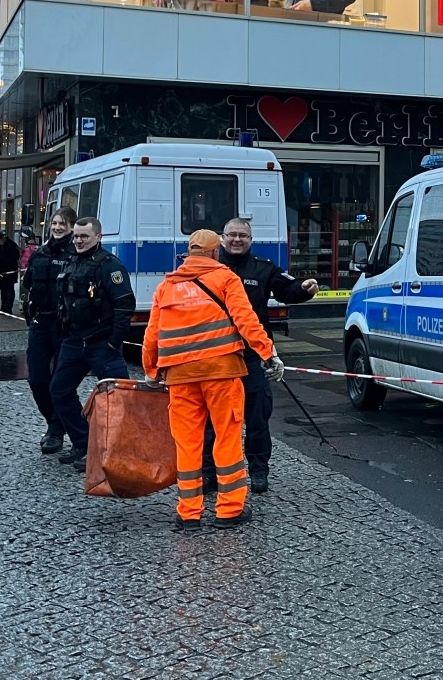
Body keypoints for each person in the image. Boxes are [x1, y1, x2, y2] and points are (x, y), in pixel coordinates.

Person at [143, 230, 281, 531]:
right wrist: (268, 354)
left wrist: (151, 370)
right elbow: (246, 320)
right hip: (222, 373)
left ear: (189, 254)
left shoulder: (167, 286)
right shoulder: (226, 278)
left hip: (180, 377)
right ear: (216, 253)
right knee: (227, 438)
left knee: (188, 443)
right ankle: (229, 510)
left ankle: (189, 513)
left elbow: (152, 333)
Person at [212, 217, 317, 493]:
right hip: (216, 357)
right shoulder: (210, 267)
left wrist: (304, 289)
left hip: (251, 356)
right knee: (214, 420)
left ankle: (259, 471)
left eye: (243, 236)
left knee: (257, 417)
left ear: (250, 240)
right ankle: (209, 473)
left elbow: (288, 288)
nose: (237, 240)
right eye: (232, 234)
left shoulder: (263, 268)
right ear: (222, 238)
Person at [48, 217, 135, 473]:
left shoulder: (110, 266)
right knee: (59, 391)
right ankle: (83, 443)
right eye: (76, 236)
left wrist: (113, 342)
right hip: (74, 341)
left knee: (118, 399)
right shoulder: (72, 261)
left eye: (84, 236)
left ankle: (114, 452)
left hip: (102, 343)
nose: (78, 240)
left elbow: (124, 305)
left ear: (98, 237)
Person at [22, 208, 77, 455]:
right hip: (40, 323)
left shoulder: (76, 254)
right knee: (37, 379)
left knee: (61, 381)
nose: (57, 227)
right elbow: (28, 285)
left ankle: (58, 430)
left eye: (62, 223)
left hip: (64, 325)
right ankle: (53, 421)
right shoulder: (40, 253)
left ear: (72, 226)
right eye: (54, 223)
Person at [0, 231, 20, 313]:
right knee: (3, 289)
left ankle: (8, 308)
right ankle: (3, 307)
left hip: (10, 270)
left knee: (9, 289)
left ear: (3, 238)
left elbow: (15, 257)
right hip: (0, 270)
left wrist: (1, 257)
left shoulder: (11, 245)